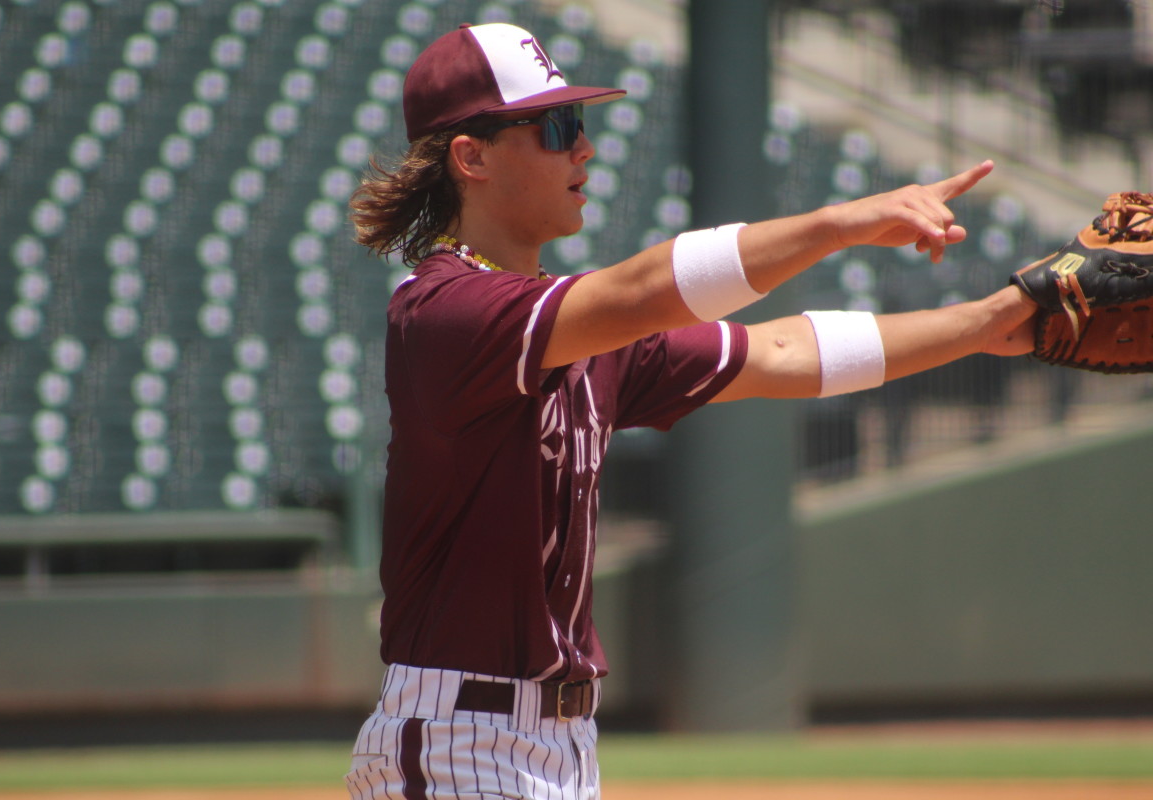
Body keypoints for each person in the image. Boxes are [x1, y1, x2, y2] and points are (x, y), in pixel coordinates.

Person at [344, 21, 1035, 800]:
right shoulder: (445, 312)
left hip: (556, 749)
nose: (585, 149)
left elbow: (779, 353)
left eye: (582, 124)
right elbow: (644, 290)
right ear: (470, 157)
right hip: (457, 746)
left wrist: (993, 321)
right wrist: (841, 224)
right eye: (557, 127)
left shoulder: (577, 335)